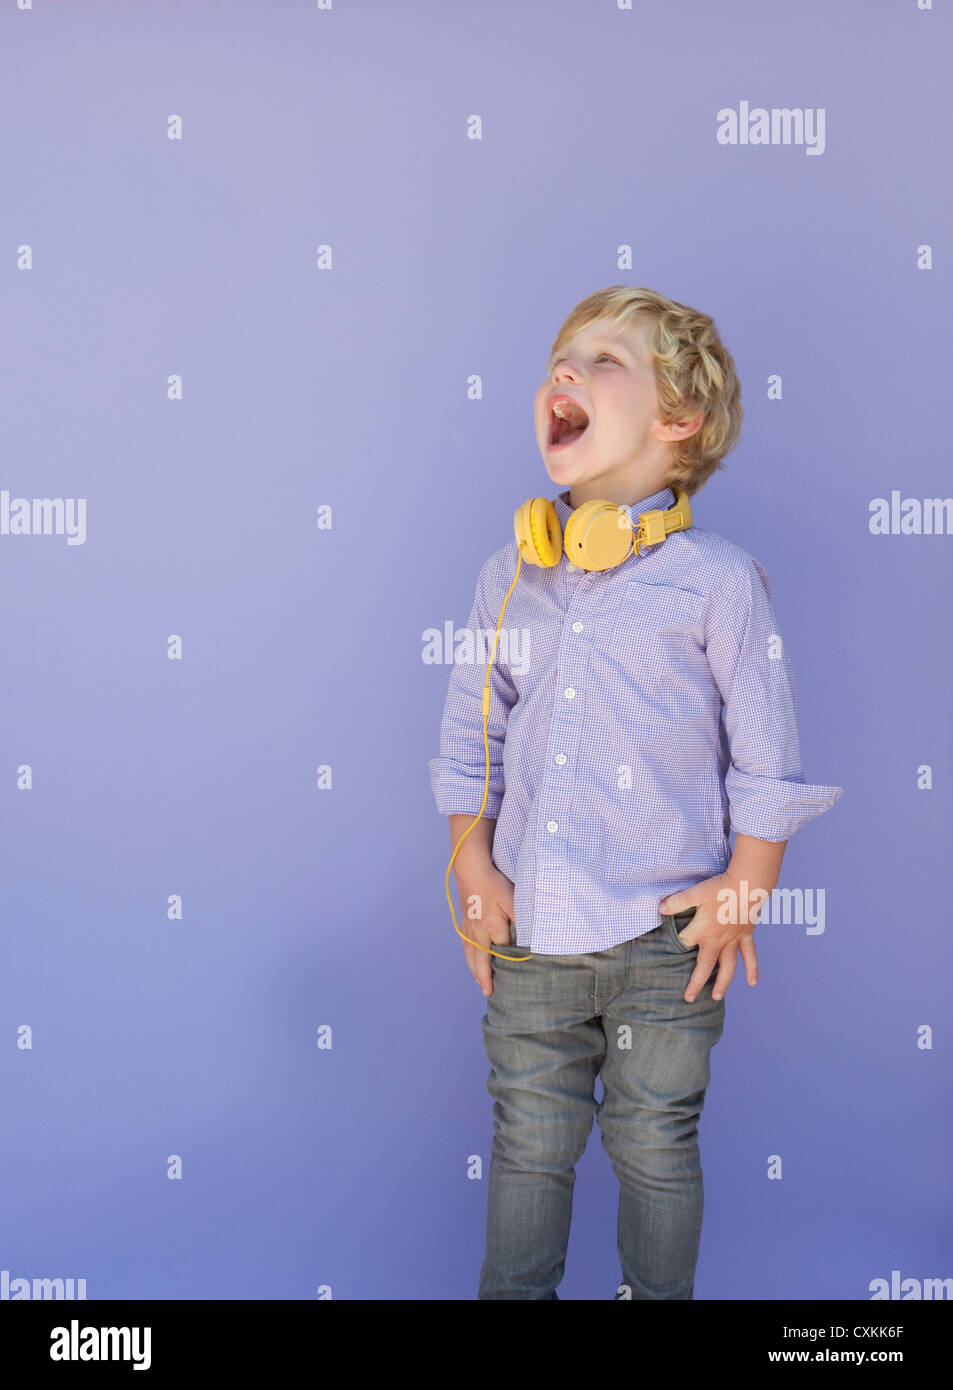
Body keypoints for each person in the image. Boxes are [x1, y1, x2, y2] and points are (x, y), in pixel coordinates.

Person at [428, 285, 843, 1300]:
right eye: (557, 359)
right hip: (531, 928)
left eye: (602, 361)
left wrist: (744, 886)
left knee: (654, 1142)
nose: (561, 373)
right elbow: (467, 734)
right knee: (528, 1144)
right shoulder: (508, 576)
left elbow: (765, 758)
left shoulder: (718, 582)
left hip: (664, 941)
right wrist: (470, 861)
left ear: (677, 421)